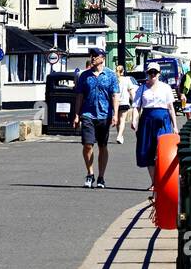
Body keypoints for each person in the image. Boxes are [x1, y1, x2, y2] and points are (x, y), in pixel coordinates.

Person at [71, 47, 120, 189]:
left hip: (104, 114)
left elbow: (115, 95)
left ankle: (101, 177)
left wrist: (115, 114)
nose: (92, 58)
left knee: (103, 146)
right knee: (87, 145)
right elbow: (79, 96)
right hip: (88, 114)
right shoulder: (84, 76)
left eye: (95, 55)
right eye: (91, 55)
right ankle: (90, 173)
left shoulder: (110, 75)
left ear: (102, 58)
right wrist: (76, 114)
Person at [130, 64, 177, 196]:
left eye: (155, 72)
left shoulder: (166, 88)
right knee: (148, 151)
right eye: (150, 72)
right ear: (147, 73)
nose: (153, 74)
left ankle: (163, 180)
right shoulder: (142, 88)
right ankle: (154, 181)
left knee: (162, 150)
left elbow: (171, 107)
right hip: (147, 121)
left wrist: (175, 126)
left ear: (159, 73)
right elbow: (136, 107)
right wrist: (134, 120)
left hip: (163, 120)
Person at [115, 64, 134, 144]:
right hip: (124, 102)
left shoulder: (115, 80)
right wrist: (134, 101)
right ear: (123, 71)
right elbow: (131, 91)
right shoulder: (127, 80)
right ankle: (120, 136)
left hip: (116, 102)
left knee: (117, 121)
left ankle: (120, 135)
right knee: (122, 120)